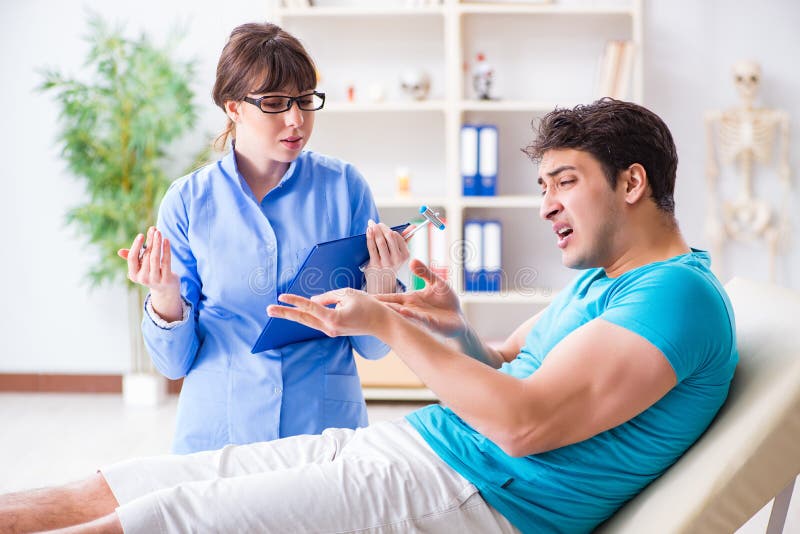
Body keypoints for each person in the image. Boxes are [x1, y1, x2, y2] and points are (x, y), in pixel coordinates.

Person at [1, 99, 737, 533]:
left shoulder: (675, 295)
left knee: (180, 515)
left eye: (564, 182)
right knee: (143, 479)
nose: (545, 203)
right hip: (425, 450)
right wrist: (449, 325)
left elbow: (524, 425)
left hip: (474, 492)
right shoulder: (604, 283)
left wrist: (387, 325)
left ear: (632, 182)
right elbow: (505, 370)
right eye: (542, 185)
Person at [116, 22, 410, 454]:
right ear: (233, 108)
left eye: (305, 101)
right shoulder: (189, 201)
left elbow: (373, 347)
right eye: (274, 103)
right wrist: (165, 293)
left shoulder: (344, 187)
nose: (296, 120)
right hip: (221, 436)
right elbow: (173, 364)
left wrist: (382, 279)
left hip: (323, 432)